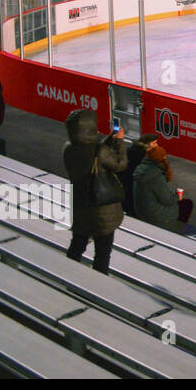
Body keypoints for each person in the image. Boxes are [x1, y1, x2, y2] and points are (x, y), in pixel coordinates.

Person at [62, 109, 128, 275]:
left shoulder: (69, 149)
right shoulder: (100, 151)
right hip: (102, 211)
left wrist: (107, 140)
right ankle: (98, 288)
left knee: (77, 245)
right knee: (102, 253)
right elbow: (120, 165)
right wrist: (120, 142)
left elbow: (96, 154)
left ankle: (69, 278)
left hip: (80, 206)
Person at [133, 139, 193, 229]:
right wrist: (178, 196)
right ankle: (175, 228)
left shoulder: (140, 169)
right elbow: (167, 200)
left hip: (141, 211)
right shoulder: (155, 176)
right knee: (186, 204)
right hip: (153, 215)